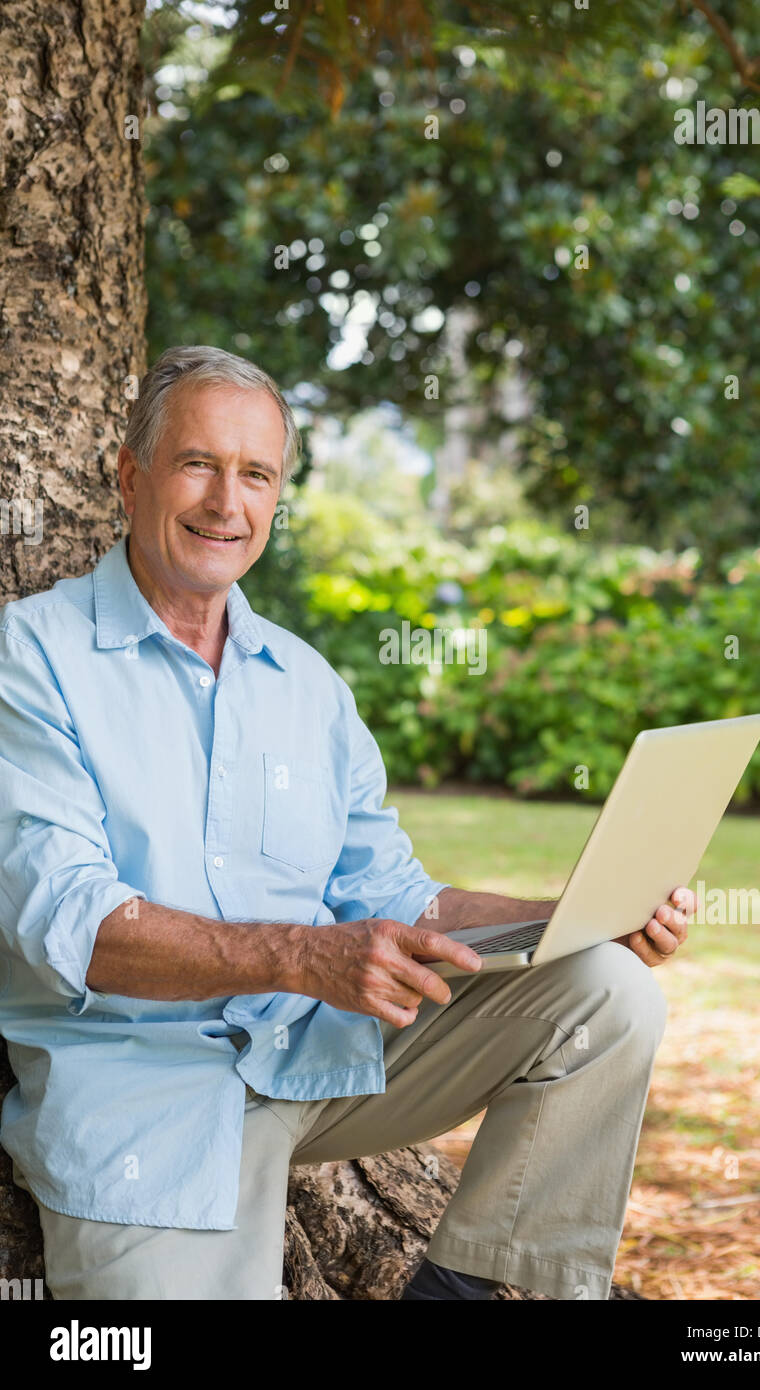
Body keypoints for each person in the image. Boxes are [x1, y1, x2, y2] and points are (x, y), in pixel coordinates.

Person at [0, 345, 692, 1302]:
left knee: (606, 991)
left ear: (278, 498)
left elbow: (399, 900)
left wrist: (573, 912)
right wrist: (300, 957)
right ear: (131, 476)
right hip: (140, 1101)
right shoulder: (31, 657)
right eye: (198, 464)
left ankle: (462, 1293)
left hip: (315, 1055)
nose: (225, 503)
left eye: (257, 475)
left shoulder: (309, 686)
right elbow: (68, 922)